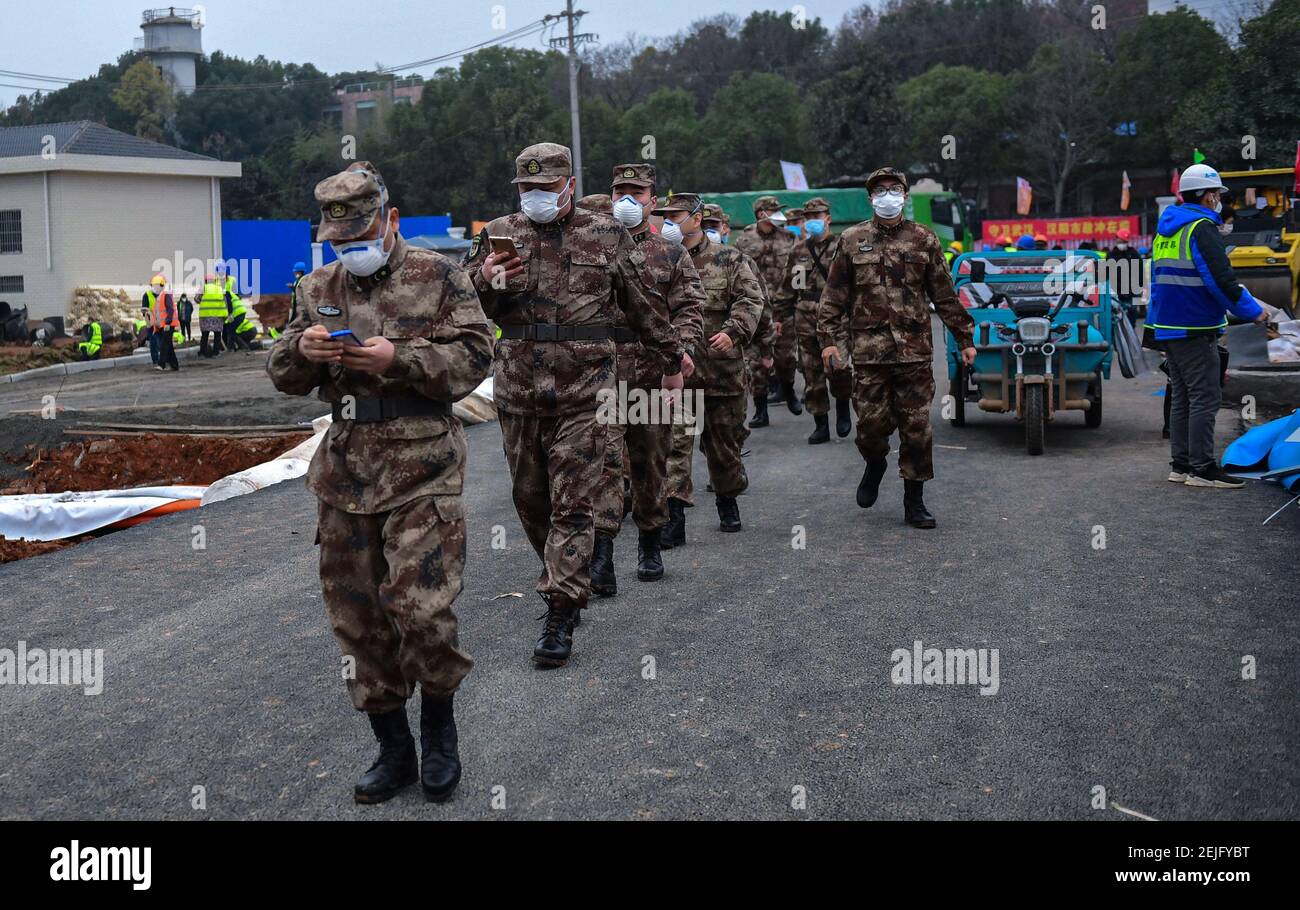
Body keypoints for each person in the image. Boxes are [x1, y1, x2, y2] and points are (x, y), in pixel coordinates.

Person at [267, 161, 491, 805]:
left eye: (360, 234)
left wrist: (403, 358)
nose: (349, 249)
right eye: (338, 240)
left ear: (391, 219)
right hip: (344, 472)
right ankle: (394, 750)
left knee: (421, 609)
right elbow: (282, 372)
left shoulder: (441, 275)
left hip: (423, 465)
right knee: (358, 619)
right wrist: (299, 353)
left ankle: (441, 736)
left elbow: (476, 357)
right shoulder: (317, 286)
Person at [463, 142, 680, 667]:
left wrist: (673, 356)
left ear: (569, 186)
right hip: (518, 390)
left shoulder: (606, 234)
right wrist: (489, 278)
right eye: (525, 189)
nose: (534, 197)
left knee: (574, 502)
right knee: (531, 500)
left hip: (587, 391)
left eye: (544, 188)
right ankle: (567, 574)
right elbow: (464, 304)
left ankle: (560, 609)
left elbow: (643, 305)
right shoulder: (499, 234)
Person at [817, 167, 976, 529]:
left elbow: (944, 294)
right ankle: (875, 462)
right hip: (869, 353)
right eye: (880, 190)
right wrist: (828, 342)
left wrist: (964, 338)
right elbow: (833, 299)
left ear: (905, 196)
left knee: (917, 427)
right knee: (871, 428)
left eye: (894, 189)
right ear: (871, 198)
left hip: (914, 352)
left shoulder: (925, 239)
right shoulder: (853, 239)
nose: (887, 195)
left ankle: (914, 500)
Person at [585, 164, 705, 595]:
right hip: (601, 372)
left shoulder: (670, 253)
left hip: (653, 372)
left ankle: (651, 541)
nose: (627, 200)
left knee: (650, 461)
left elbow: (690, 306)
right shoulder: (591, 247)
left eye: (637, 192)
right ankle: (602, 555)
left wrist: (683, 349)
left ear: (652, 201)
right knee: (604, 463)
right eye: (620, 191)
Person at [1147, 162, 1268, 489]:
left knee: (1184, 396)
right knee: (1205, 396)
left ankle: (1182, 465)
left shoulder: (1166, 231)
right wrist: (1253, 311)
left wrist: (1153, 328)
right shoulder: (1201, 228)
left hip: (1169, 326)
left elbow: (1157, 283)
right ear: (1204, 195)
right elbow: (1220, 280)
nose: (1218, 199)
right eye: (1215, 193)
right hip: (1195, 327)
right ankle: (1202, 469)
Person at [658, 193, 764, 543]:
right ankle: (674, 517)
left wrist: (734, 333)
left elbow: (751, 299)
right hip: (675, 376)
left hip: (721, 372)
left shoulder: (730, 259)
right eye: (665, 216)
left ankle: (727, 497)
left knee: (723, 448)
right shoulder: (656, 260)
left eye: (676, 215)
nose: (669, 222)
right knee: (674, 446)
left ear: (697, 219)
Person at [783, 196, 852, 443]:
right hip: (805, 317)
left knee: (839, 367)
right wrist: (781, 317)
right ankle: (820, 423)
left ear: (828, 219)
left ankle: (843, 406)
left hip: (836, 319)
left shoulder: (842, 247)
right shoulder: (798, 251)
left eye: (817, 216)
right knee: (812, 373)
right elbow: (790, 287)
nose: (812, 221)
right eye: (808, 217)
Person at [734, 195, 800, 416]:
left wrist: (787, 308)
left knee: (786, 358)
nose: (779, 215)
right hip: (755, 309)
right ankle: (760, 410)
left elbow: (797, 275)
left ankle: (789, 391)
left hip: (784, 306)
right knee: (755, 364)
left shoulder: (790, 238)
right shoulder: (744, 240)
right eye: (774, 211)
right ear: (762, 214)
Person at [147, 274, 180, 372]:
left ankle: (162, 364)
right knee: (168, 345)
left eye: (156, 286)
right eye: (153, 286)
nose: (154, 288)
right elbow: (158, 313)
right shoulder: (158, 298)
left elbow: (170, 310)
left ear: (161, 286)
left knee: (164, 345)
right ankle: (174, 365)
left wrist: (168, 323)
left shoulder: (166, 295)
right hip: (162, 325)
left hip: (168, 325)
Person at [195, 273, 229, 357]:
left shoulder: (204, 287)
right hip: (217, 315)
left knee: (205, 335)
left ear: (206, 280)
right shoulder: (220, 289)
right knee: (217, 335)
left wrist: (202, 302)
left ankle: (202, 353)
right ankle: (215, 353)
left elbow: (196, 299)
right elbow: (225, 302)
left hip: (206, 315)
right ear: (215, 280)